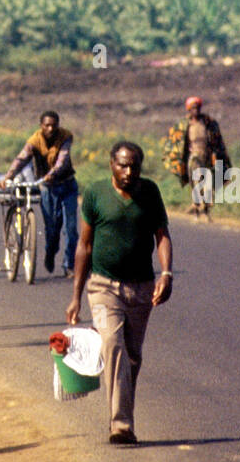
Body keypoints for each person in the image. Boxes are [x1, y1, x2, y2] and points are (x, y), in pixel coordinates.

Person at [67, 141, 173, 445]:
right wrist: (76, 295)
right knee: (113, 346)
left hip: (141, 288)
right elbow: (84, 245)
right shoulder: (96, 194)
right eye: (122, 165)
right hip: (103, 286)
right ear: (111, 164)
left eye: (134, 166)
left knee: (133, 358)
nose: (128, 172)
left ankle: (122, 412)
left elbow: (162, 236)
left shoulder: (149, 192)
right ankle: (121, 425)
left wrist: (166, 274)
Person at [3, 110, 79, 275]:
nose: (51, 129)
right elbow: (21, 159)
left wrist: (52, 173)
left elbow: (62, 159)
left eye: (54, 125)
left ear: (58, 125)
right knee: (52, 228)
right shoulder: (34, 141)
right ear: (41, 126)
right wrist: (8, 176)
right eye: (47, 125)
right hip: (48, 189)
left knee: (71, 228)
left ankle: (69, 265)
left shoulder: (65, 137)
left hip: (67, 186)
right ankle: (50, 253)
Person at [162, 96, 231, 219]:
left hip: (207, 158)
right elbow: (175, 141)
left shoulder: (208, 123)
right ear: (189, 109)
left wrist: (217, 155)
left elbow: (217, 141)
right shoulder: (184, 125)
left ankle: (205, 209)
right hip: (193, 157)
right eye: (193, 108)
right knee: (197, 181)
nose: (196, 110)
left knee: (208, 183)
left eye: (198, 107)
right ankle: (198, 208)